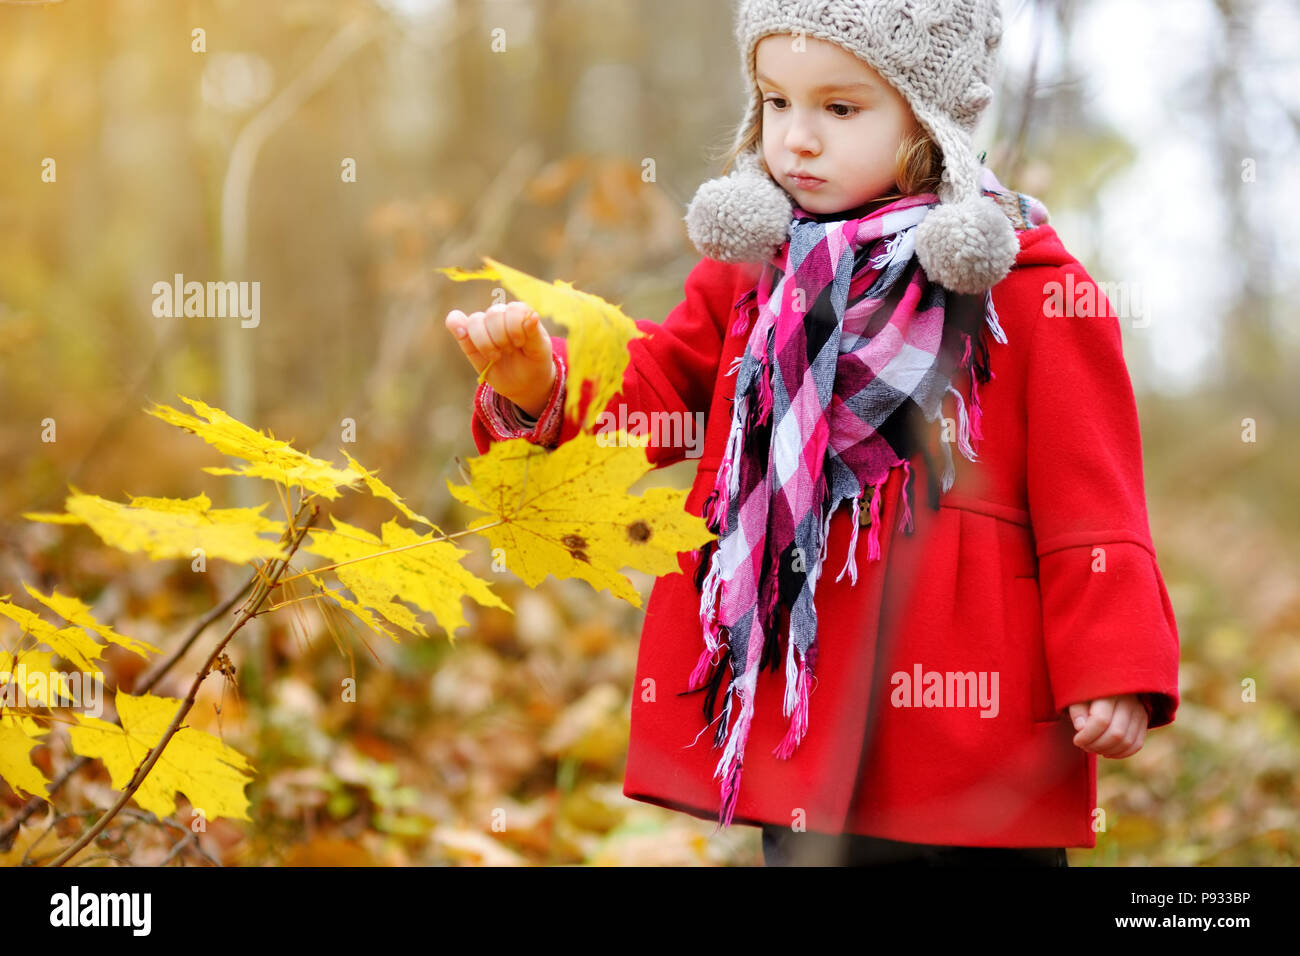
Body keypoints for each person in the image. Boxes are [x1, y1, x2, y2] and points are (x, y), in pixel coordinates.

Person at [444, 0, 1179, 867]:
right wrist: (539, 387)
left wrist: (1113, 663)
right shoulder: (755, 274)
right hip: (799, 690)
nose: (795, 139)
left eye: (839, 108)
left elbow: (1091, 501)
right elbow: (660, 399)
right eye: (775, 102)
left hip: (967, 724)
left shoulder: (1024, 288)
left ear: (929, 115)